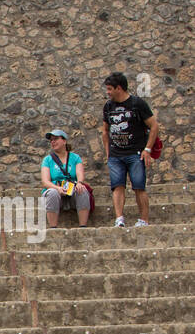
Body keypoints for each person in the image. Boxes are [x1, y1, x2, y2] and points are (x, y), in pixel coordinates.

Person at [101, 72, 160, 227]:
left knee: (139, 186)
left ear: (118, 88)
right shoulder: (108, 106)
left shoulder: (137, 104)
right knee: (117, 186)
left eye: (109, 89)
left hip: (136, 153)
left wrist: (147, 149)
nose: (107, 92)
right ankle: (119, 218)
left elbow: (154, 126)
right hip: (115, 154)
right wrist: (108, 153)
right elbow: (105, 131)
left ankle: (144, 220)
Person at [40, 129, 90, 228]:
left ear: (64, 141)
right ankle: (53, 227)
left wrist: (79, 183)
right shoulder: (47, 160)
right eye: (51, 140)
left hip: (71, 192)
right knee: (52, 193)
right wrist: (57, 188)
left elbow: (80, 174)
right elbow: (45, 182)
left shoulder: (75, 158)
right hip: (55, 192)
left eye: (55, 139)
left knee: (82, 190)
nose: (52, 142)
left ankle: (83, 226)